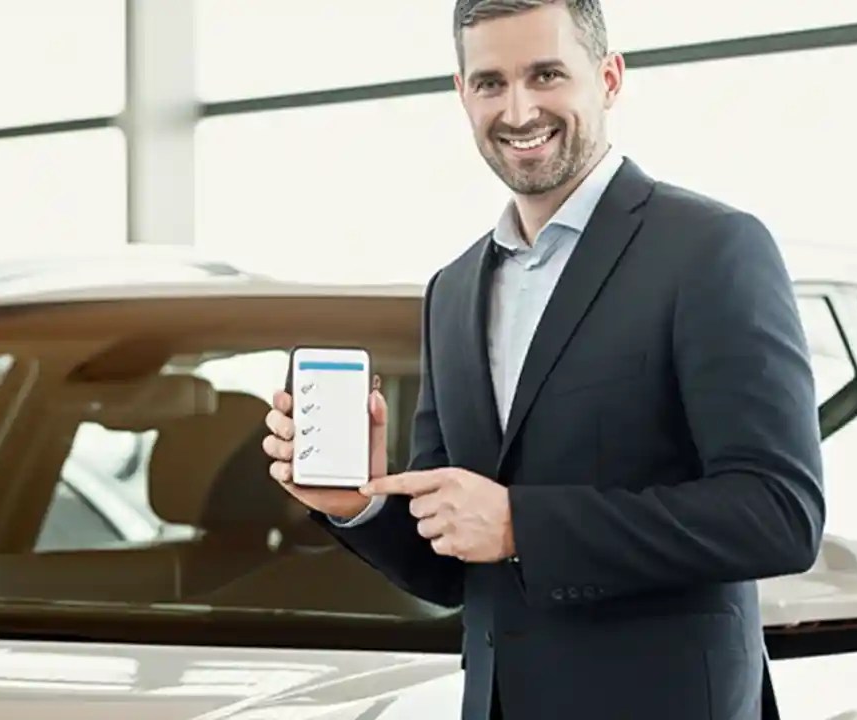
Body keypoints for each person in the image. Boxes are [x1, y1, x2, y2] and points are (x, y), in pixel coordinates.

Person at [261, 1, 825, 717]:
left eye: (547, 74)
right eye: (491, 82)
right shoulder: (454, 289)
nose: (519, 109)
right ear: (462, 95)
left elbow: (779, 513)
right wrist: (362, 504)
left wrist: (523, 525)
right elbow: (455, 567)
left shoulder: (712, 249)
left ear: (610, 78)